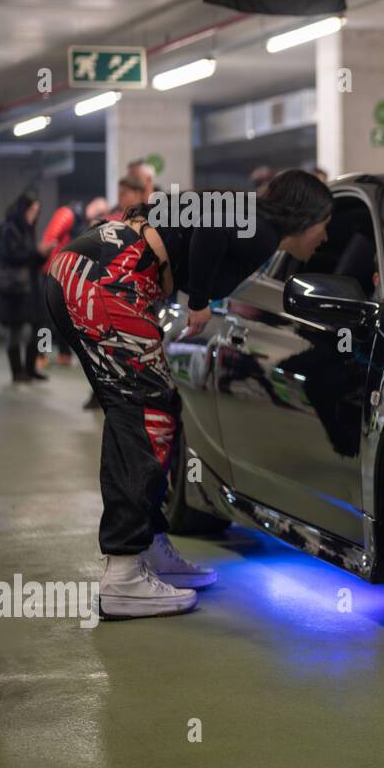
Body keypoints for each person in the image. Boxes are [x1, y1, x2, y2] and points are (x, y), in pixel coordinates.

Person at [44, 170, 333, 619]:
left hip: (89, 267)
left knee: (151, 406)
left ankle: (148, 546)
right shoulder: (260, 229)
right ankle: (123, 573)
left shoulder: (245, 210)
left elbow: (184, 215)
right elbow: (210, 231)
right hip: (106, 278)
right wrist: (199, 301)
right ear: (306, 216)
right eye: (325, 224)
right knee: (147, 414)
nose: (326, 236)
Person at [37, 197, 109, 366]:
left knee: (64, 316)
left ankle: (64, 354)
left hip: (65, 274)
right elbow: (49, 241)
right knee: (46, 318)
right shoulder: (68, 214)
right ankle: (41, 354)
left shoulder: (80, 220)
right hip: (52, 272)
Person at [0, 194, 43, 384]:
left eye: (36, 211)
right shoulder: (9, 229)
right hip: (13, 287)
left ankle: (31, 368)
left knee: (38, 325)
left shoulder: (28, 229)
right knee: (15, 328)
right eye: (32, 210)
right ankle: (17, 372)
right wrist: (36, 252)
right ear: (23, 209)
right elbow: (12, 256)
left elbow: (29, 259)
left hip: (29, 285)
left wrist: (41, 255)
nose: (34, 215)